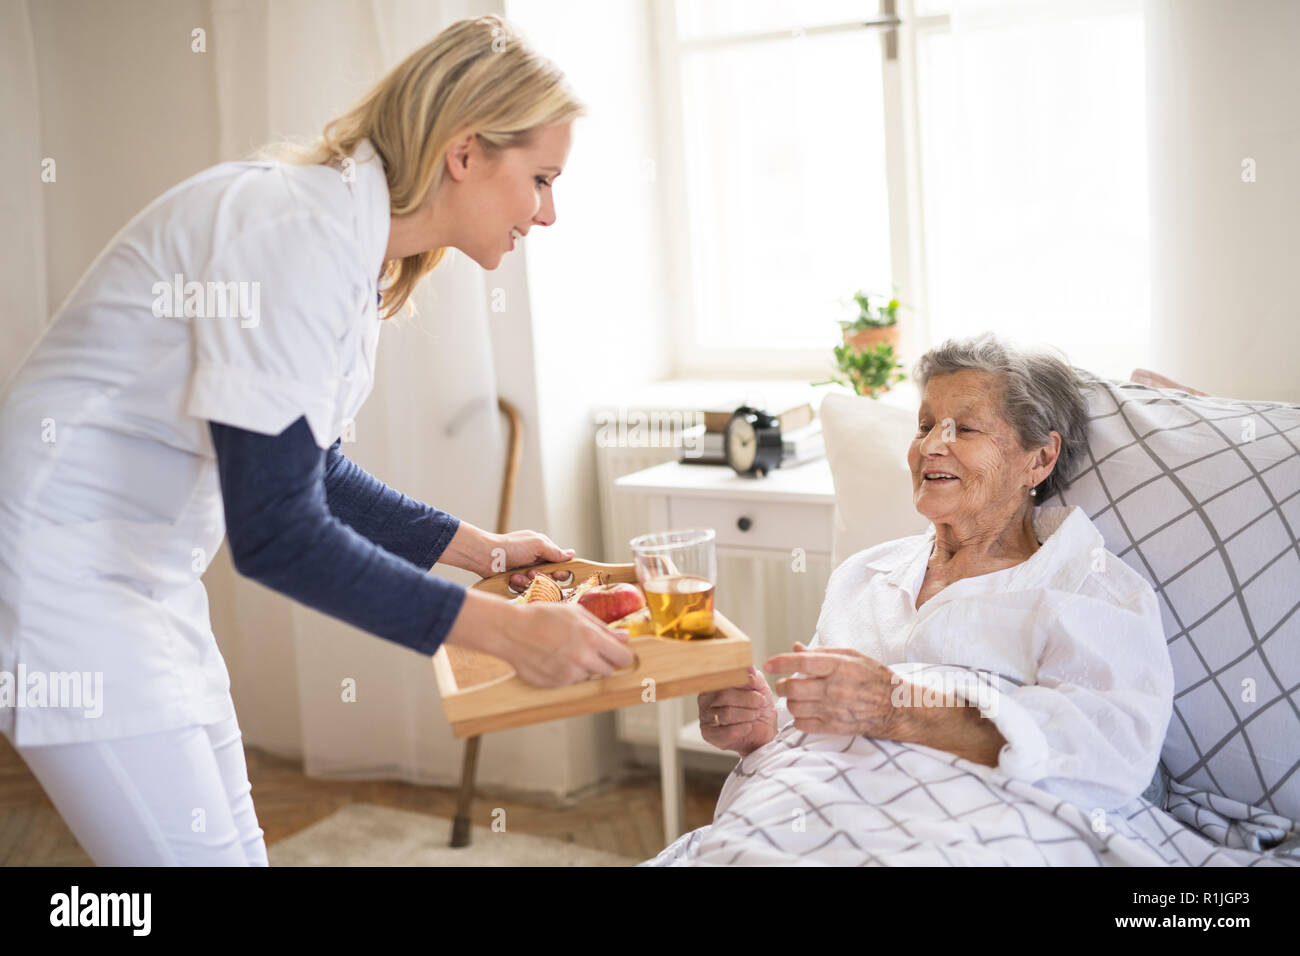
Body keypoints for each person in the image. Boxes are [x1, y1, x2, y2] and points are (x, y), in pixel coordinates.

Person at [0, 15, 632, 866]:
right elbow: (275, 533)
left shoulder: (346, 243)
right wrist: (501, 632)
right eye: (543, 179)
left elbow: (311, 469)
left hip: (143, 574)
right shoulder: (292, 235)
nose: (549, 214)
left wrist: (480, 552)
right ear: (466, 150)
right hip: (61, 584)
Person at [675, 334, 1175, 863]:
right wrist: (762, 731)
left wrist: (899, 708)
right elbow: (821, 740)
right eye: (924, 425)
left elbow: (1110, 753)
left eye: (965, 427)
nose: (931, 445)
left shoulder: (1086, 587)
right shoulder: (863, 575)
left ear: (1040, 458)